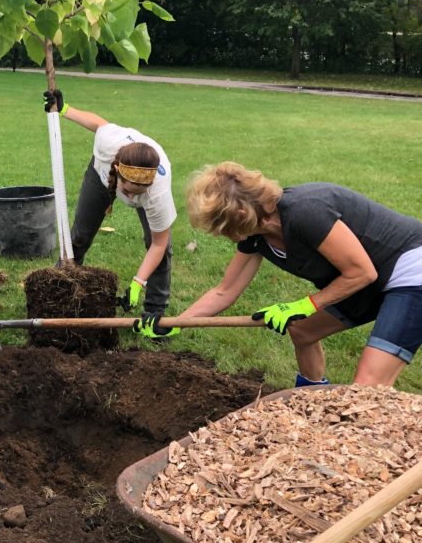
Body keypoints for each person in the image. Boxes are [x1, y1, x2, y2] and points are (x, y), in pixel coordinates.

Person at [181, 161, 422, 388]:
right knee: (303, 331)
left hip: (410, 272)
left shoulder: (305, 211)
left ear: (240, 214)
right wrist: (177, 323)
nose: (216, 233)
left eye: (218, 225)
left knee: (368, 386)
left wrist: (305, 305)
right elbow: (225, 291)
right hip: (364, 282)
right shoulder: (255, 236)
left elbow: (362, 272)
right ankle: (311, 400)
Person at [43, 89, 178, 339]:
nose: (134, 197)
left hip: (139, 185)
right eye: (129, 190)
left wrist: (138, 282)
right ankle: (58, 291)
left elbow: (158, 244)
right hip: (101, 178)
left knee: (160, 247)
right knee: (79, 236)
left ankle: (155, 314)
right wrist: (64, 109)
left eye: (140, 192)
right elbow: (99, 124)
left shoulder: (157, 191)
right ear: (118, 170)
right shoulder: (109, 146)